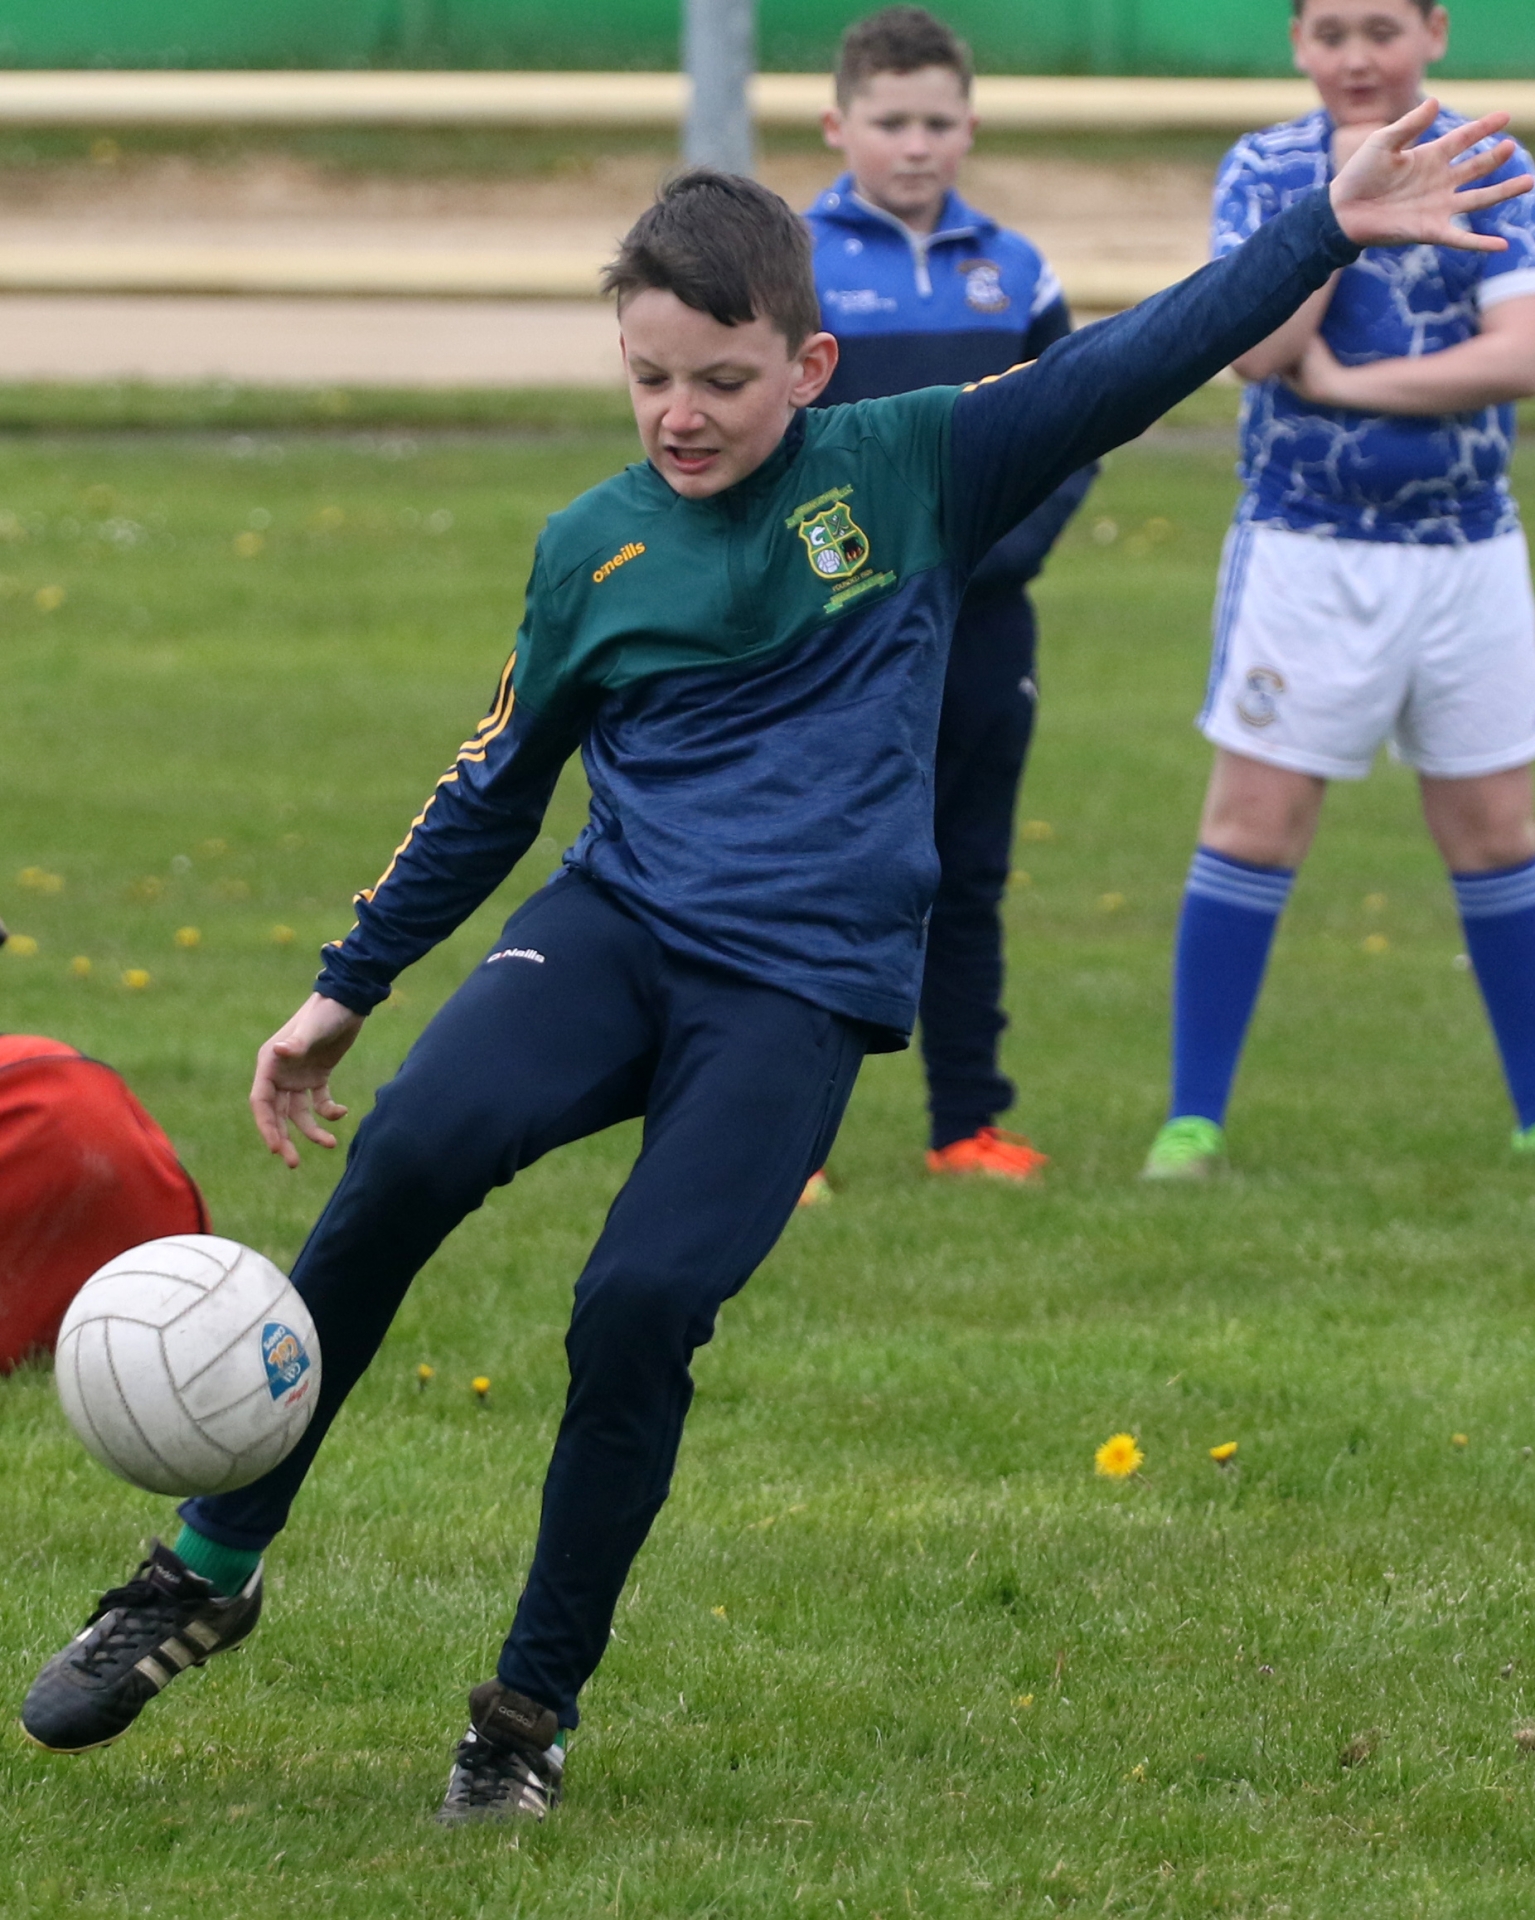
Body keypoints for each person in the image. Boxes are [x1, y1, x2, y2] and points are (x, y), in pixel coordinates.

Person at [21, 121, 1526, 1821]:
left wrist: (1322, 227)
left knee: (638, 1306)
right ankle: (205, 1570)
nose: (681, 416)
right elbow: (494, 782)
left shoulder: (912, 467)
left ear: (808, 365)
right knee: (410, 1155)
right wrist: (345, 984)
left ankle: (520, 1722)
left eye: (723, 381)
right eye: (650, 378)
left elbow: (1133, 359)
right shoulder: (594, 544)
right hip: (617, 927)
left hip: (797, 984)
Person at [1142, 0, 1535, 1182]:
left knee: (1498, 832)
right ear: (1295, 44)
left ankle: (1529, 1111)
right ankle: (1192, 1121)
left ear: (1433, 31)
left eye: (1380, 27)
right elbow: (1257, 352)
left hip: (1466, 545)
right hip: (1301, 546)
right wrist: (1338, 210)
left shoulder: (1488, 160)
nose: (1356, 57)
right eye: (1328, 31)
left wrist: (1355, 388)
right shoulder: (1264, 169)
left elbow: (1518, 352)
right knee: (1252, 826)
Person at [800, 6, 1094, 1195]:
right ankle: (790, 1137)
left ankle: (965, 1124)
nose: (913, 144)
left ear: (967, 125)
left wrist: (989, 549)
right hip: (839, 633)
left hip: (981, 617)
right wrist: (849, 575)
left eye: (935, 121)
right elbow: (773, 443)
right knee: (821, 876)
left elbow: (1074, 426)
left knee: (964, 876)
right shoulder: (789, 260)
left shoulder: (1015, 272)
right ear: (837, 125)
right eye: (888, 121)